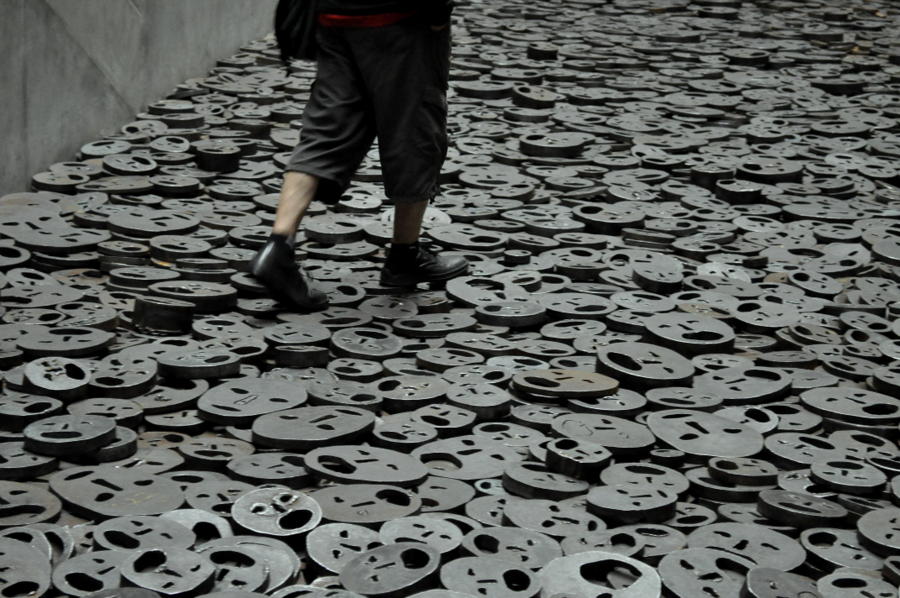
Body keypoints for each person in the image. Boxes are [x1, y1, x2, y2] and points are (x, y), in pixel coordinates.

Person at [250, 0, 468, 310]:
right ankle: (404, 255)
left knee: (326, 129)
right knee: (415, 127)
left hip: (334, 15)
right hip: (399, 18)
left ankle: (278, 247)